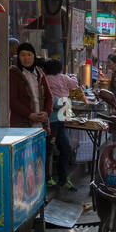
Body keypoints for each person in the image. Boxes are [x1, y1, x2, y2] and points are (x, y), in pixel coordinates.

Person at [42, 59, 79, 190]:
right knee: (58, 149)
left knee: (56, 149)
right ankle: (48, 179)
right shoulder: (59, 78)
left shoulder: (45, 78)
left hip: (59, 119)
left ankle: (61, 179)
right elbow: (74, 83)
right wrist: (73, 76)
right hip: (52, 120)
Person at [9, 42, 52, 130]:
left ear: (34, 56)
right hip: (21, 124)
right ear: (18, 57)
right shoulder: (14, 74)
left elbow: (49, 96)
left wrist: (46, 113)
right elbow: (12, 100)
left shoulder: (40, 73)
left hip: (41, 123)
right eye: (23, 55)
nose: (26, 58)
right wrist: (30, 115)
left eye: (29, 55)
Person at [0, 37, 19, 102]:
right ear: (10, 47)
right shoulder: (3, 61)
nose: (17, 50)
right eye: (16, 47)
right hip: (0, 95)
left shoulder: (10, 60)